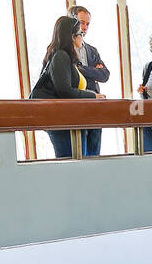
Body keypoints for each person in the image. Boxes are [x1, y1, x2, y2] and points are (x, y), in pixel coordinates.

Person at [29, 14, 105, 159]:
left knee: (81, 161)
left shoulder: (67, 57)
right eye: (80, 34)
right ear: (72, 37)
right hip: (61, 120)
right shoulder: (60, 56)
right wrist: (93, 95)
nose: (82, 37)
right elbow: (64, 90)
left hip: (72, 119)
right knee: (70, 162)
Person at [71, 5, 111, 157]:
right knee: (78, 154)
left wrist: (80, 69)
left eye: (88, 24)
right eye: (82, 22)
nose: (85, 27)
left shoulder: (92, 50)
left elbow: (105, 75)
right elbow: (68, 76)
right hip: (74, 107)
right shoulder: (63, 50)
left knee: (94, 154)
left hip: (95, 107)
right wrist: (94, 71)